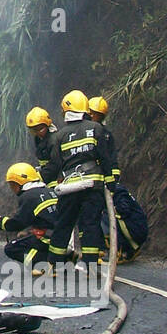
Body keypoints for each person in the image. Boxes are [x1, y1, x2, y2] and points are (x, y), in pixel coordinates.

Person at [46, 89, 115, 270]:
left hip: (70, 188)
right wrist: (111, 180)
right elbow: (105, 157)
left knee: (64, 223)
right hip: (93, 186)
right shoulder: (97, 129)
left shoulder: (59, 135)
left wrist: (41, 179)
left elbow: (54, 165)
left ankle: (54, 264)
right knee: (90, 223)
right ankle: (91, 266)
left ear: (65, 111)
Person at [0, 162, 59, 265]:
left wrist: (2, 222)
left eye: (12, 185)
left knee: (12, 248)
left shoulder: (28, 197)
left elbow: (19, 223)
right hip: (63, 238)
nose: (12, 189)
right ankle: (65, 256)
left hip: (48, 239)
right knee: (26, 238)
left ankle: (44, 262)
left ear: (20, 183)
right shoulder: (49, 191)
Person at [88, 95, 120, 186]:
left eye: (95, 114)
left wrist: (114, 178)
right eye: (91, 113)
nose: (92, 116)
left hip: (101, 177)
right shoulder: (85, 131)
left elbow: (112, 157)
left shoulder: (106, 134)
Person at [26, 106, 58, 184]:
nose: (37, 133)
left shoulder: (54, 139)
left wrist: (40, 176)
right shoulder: (39, 139)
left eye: (39, 129)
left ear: (47, 125)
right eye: (33, 130)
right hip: (48, 179)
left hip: (56, 179)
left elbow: (56, 164)